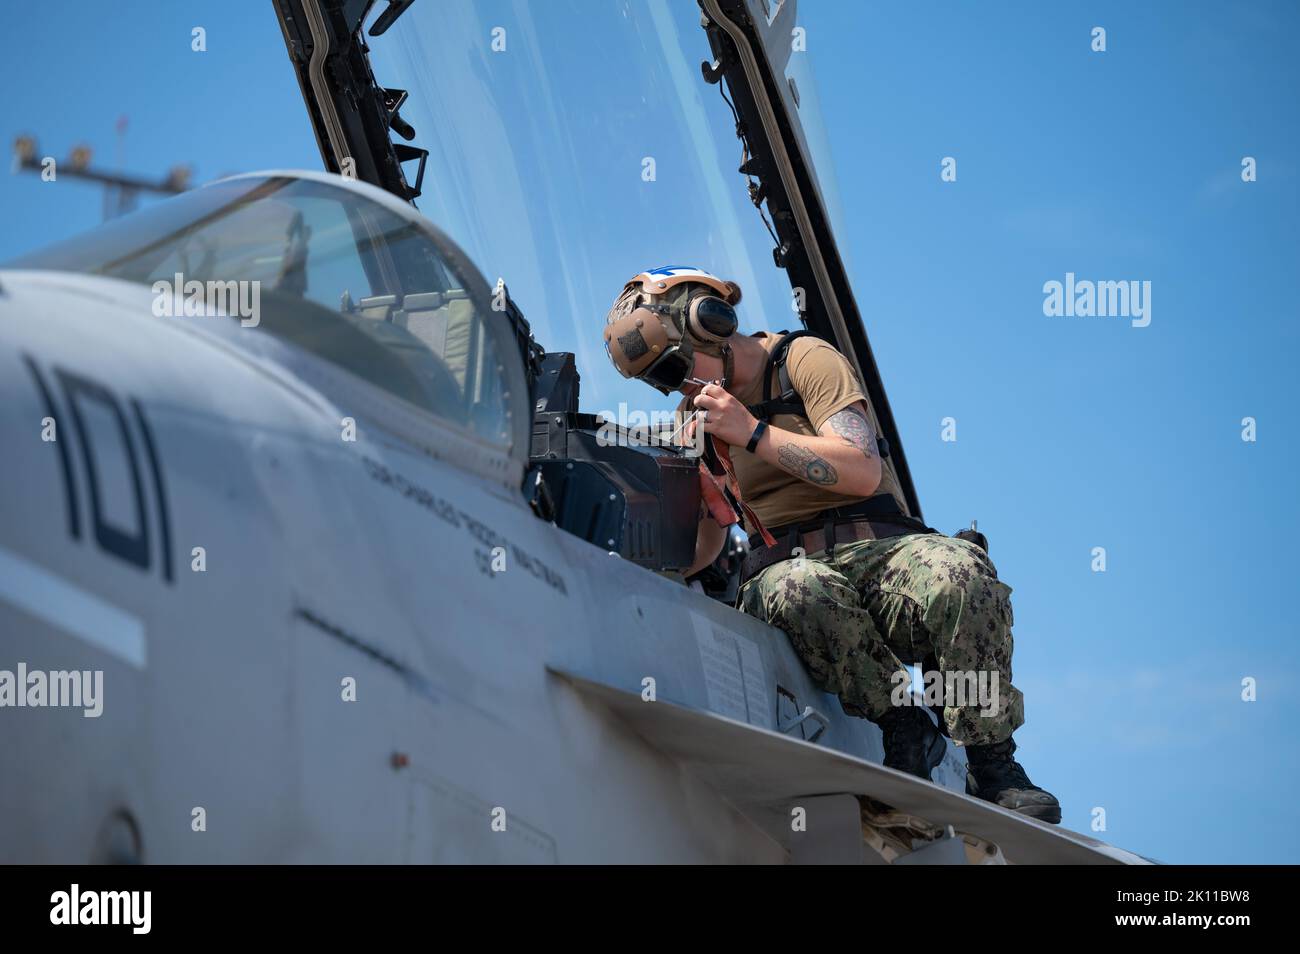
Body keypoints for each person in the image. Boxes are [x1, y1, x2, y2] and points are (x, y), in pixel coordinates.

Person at [604, 266, 1061, 823]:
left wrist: (751, 432)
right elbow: (704, 554)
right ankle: (902, 723)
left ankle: (993, 762)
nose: (676, 386)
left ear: (710, 323)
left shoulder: (805, 362)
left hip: (880, 552)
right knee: (797, 586)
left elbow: (862, 470)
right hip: (789, 573)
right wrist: (700, 504)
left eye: (674, 365)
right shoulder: (694, 419)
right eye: (659, 380)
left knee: (957, 571)